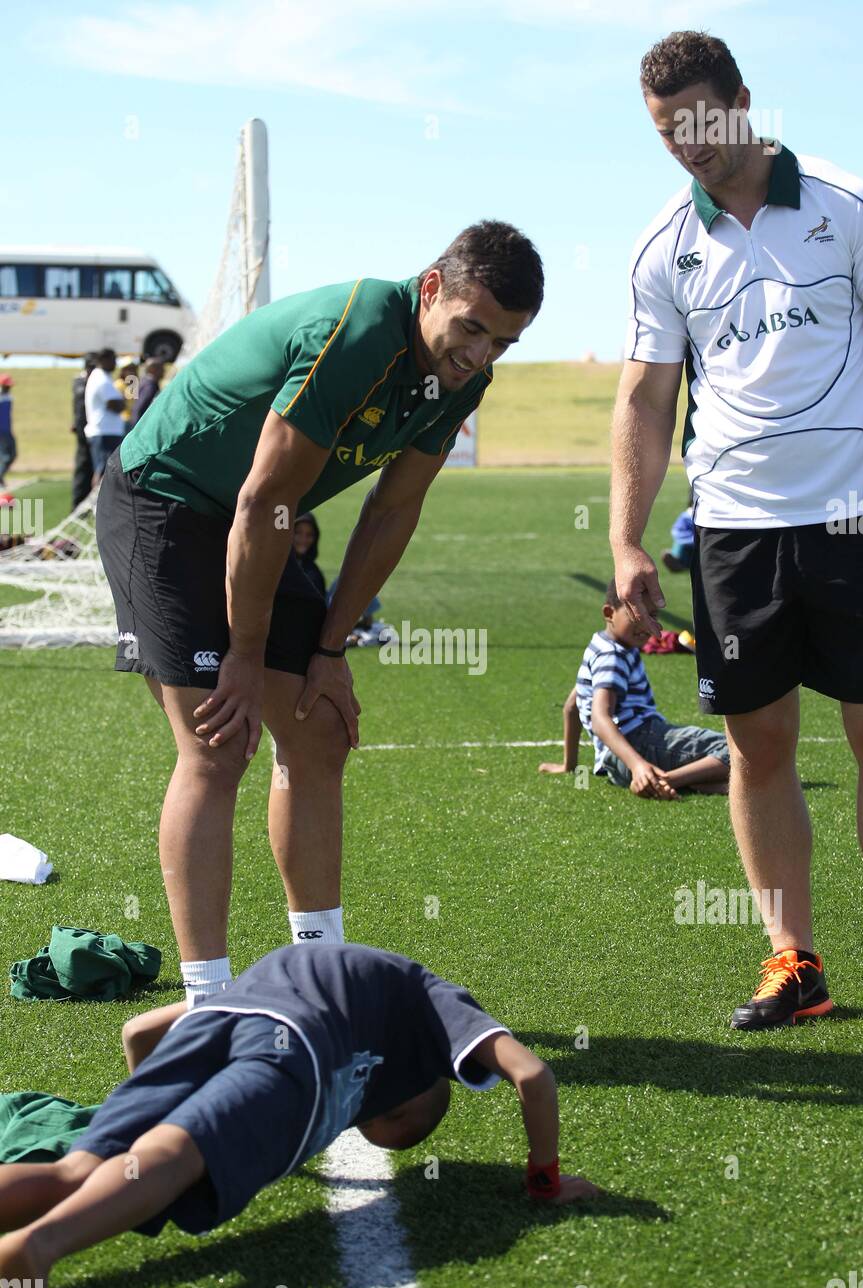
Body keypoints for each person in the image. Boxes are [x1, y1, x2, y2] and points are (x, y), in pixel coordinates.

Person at [94, 221, 543, 1006]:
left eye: (502, 344)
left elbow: (392, 512)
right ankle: (209, 1001)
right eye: (472, 329)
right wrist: (244, 649)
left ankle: (320, 971)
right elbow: (264, 498)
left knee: (318, 727)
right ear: (431, 288)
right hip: (165, 505)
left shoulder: (463, 378)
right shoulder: (360, 333)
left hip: (254, 521)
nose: (479, 356)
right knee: (219, 744)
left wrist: (332, 647)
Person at [610, 30, 863, 1027]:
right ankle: (791, 960)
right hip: (732, 531)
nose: (686, 144)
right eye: (665, 131)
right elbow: (642, 397)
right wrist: (627, 538)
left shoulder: (846, 209)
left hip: (853, 515)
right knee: (756, 743)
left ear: (744, 102)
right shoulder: (661, 245)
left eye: (699, 122)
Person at [0, 943, 598, 1288]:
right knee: (167, 1159)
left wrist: (154, 1098)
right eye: (380, 1117)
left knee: (77, 1167)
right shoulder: (435, 1002)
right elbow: (533, 1074)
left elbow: (140, 1030)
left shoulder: (345, 967)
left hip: (214, 1020)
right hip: (294, 1050)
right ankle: (39, 1246)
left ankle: (41, 1222)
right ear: (413, 1092)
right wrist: (543, 1180)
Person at [542, 581, 730, 796]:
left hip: (617, 765)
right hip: (639, 744)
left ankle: (693, 784)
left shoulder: (599, 645)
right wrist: (638, 766)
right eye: (635, 613)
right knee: (736, 751)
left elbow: (571, 707)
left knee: (736, 766)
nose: (645, 623)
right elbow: (599, 718)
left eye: (652, 615)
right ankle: (663, 780)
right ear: (609, 613)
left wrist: (569, 765)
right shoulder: (613, 656)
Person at [84, 349, 126, 480]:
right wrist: (123, 402)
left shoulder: (101, 377)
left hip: (105, 431)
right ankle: (96, 500)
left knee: (105, 471)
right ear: (103, 360)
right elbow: (116, 405)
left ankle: (98, 499)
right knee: (104, 472)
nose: (115, 363)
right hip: (105, 431)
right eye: (113, 359)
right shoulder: (101, 378)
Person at [71, 355, 98, 508]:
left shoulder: (83, 381)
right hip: (85, 430)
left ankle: (86, 503)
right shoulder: (81, 383)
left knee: (90, 466)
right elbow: (80, 408)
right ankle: (78, 504)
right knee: (83, 465)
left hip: (88, 428)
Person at [292, 511, 326, 598]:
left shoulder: (315, 575)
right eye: (298, 533)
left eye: (309, 535)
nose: (304, 539)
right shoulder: (276, 569)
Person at [661, 490, 695, 573]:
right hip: (691, 545)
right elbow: (677, 532)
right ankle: (677, 560)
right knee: (680, 545)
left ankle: (680, 562)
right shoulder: (687, 516)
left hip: (699, 546)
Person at [128, 357, 164, 428]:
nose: (164, 371)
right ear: (153, 369)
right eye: (161, 368)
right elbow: (139, 407)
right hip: (141, 426)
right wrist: (137, 428)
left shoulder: (143, 381)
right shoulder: (150, 385)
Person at [0, 377, 16, 485]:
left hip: (8, 431)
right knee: (6, 457)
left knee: (13, 454)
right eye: (7, 386)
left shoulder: (9, 398)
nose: (9, 388)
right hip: (2, 432)